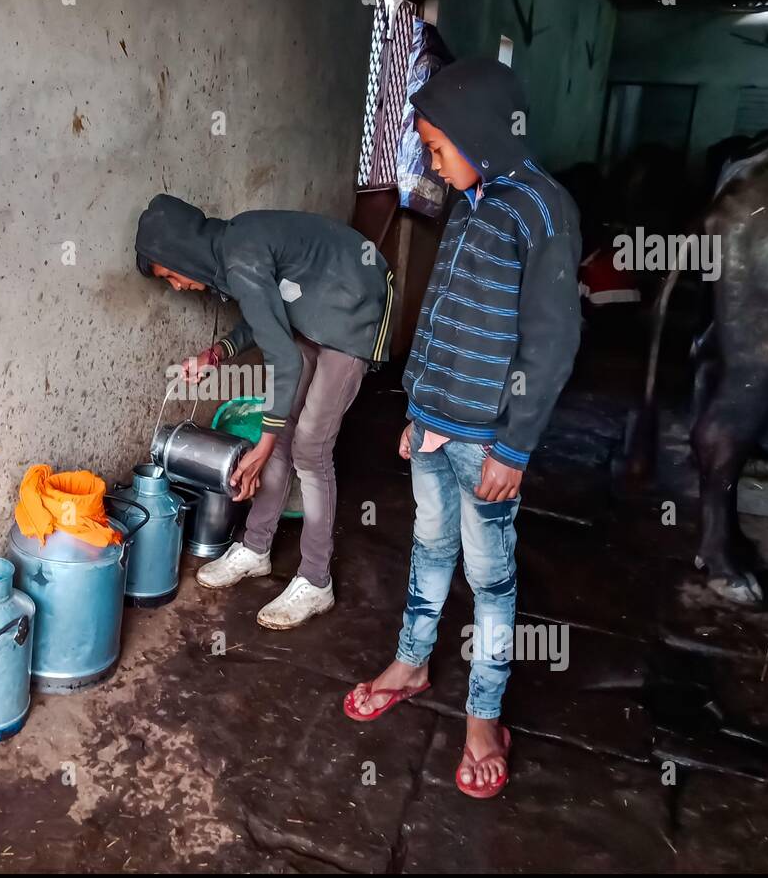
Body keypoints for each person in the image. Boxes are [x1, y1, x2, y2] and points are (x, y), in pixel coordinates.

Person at [343, 59, 581, 799]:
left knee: (491, 576)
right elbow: (443, 310)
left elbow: (551, 342)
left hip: (486, 438)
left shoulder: (541, 210)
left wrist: (514, 446)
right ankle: (412, 662)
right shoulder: (471, 200)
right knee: (429, 547)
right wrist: (416, 407)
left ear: (482, 135)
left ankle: (485, 716)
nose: (434, 167)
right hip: (435, 424)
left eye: (439, 149)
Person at [135, 194, 394, 629]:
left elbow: (284, 360)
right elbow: (266, 316)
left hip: (356, 304)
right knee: (281, 432)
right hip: (312, 309)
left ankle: (316, 579)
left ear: (180, 254)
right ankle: (256, 548)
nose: (177, 285)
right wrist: (216, 355)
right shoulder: (231, 252)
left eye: (171, 274)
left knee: (310, 446)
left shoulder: (240, 256)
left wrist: (265, 440)